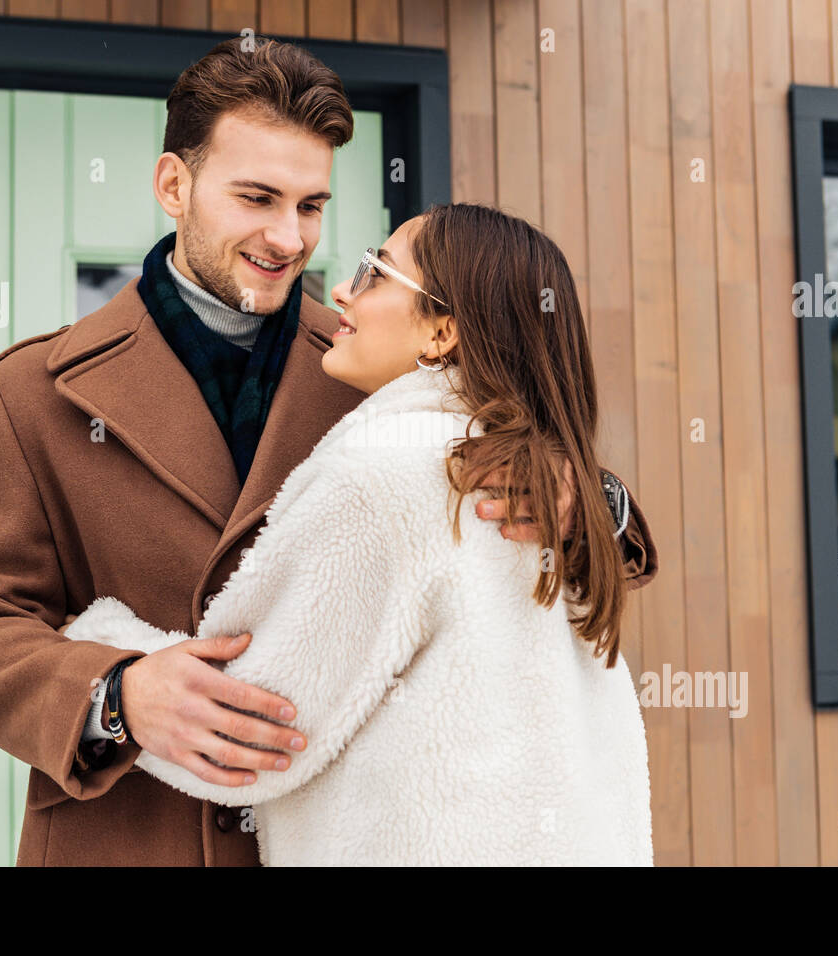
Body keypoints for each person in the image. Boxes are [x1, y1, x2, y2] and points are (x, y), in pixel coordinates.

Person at [0, 36, 657, 867]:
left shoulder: (374, 362)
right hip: (130, 836)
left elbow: (529, 548)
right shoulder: (34, 391)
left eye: (310, 206)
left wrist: (589, 496)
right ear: (175, 185)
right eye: (257, 197)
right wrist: (118, 693)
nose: (288, 236)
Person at [64, 202, 656, 865]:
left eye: (375, 272)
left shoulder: (388, 473)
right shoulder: (533, 478)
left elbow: (254, 729)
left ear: (441, 334)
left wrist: (96, 638)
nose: (341, 289)